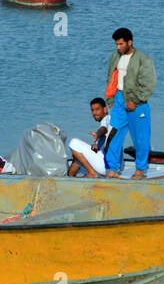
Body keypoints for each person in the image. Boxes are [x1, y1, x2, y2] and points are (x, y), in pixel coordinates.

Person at [103, 27, 156, 178]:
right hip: (119, 99)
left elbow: (149, 84)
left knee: (140, 137)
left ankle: (140, 169)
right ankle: (112, 169)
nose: (118, 47)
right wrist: (111, 98)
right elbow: (110, 76)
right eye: (116, 44)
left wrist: (137, 100)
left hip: (137, 103)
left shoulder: (143, 59)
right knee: (114, 134)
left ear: (129, 42)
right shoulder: (115, 56)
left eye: (120, 44)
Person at [67, 97, 120, 177]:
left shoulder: (107, 119)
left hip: (106, 165)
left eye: (97, 109)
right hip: (112, 164)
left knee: (73, 143)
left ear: (105, 110)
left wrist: (97, 134)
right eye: (92, 110)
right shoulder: (111, 120)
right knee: (78, 155)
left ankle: (92, 173)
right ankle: (70, 177)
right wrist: (96, 146)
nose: (94, 113)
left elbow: (103, 129)